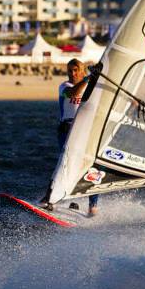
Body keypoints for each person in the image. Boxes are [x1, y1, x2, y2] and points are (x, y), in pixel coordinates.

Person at [45, 59, 99, 216]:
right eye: (70, 70)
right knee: (65, 164)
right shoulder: (64, 87)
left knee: (90, 166)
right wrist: (88, 78)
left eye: (76, 70)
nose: (72, 73)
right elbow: (74, 93)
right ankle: (52, 200)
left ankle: (93, 206)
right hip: (66, 130)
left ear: (82, 71)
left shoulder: (91, 88)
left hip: (85, 131)